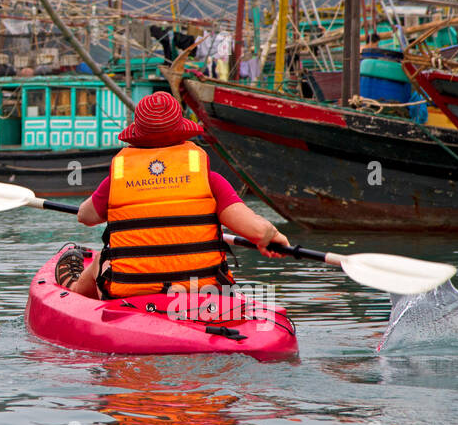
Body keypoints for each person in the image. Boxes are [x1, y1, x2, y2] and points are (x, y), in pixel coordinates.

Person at [56, 91, 290, 299]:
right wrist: (273, 234)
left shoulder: (117, 181)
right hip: (202, 289)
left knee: (102, 258)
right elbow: (257, 230)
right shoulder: (209, 179)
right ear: (182, 133)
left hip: (135, 290)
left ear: (137, 135)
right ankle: (178, 289)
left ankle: (75, 288)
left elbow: (85, 217)